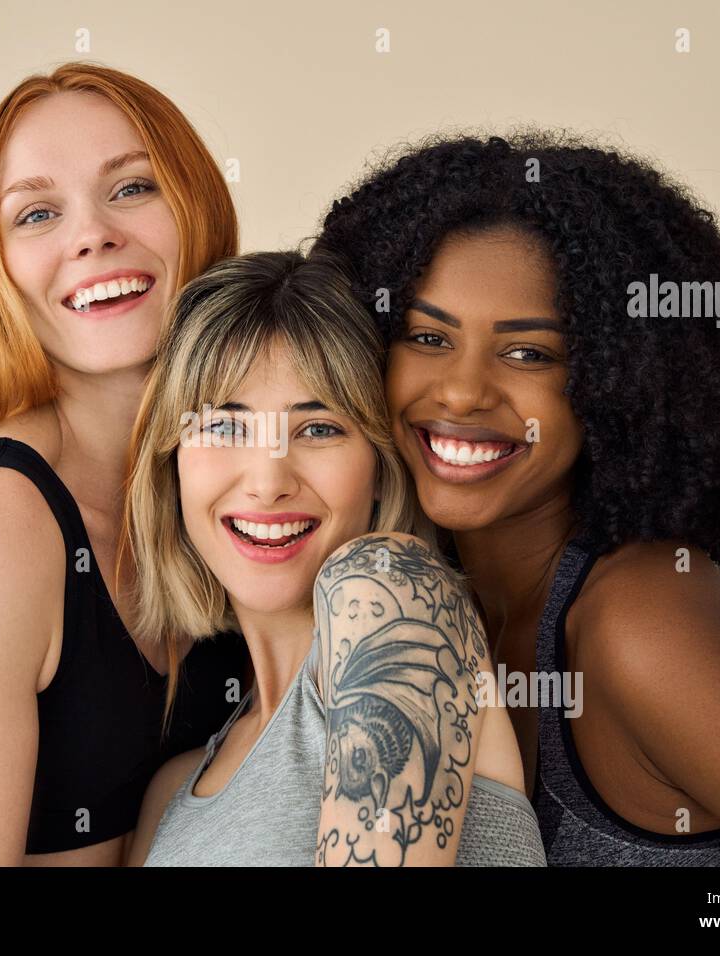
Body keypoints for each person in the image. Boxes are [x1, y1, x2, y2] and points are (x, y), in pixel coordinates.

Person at [312, 130, 720, 864]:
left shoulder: (645, 618)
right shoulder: (410, 594)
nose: (460, 389)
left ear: (619, 385)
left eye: (529, 354)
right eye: (427, 337)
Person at [0, 62, 248, 866]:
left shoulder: (225, 480)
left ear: (200, 206)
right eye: (36, 213)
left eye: (134, 188)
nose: (92, 233)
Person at [125, 251, 546, 866]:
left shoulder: (391, 591)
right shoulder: (173, 792)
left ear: (379, 468)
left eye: (319, 428)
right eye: (224, 426)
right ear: (174, 464)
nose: (268, 482)